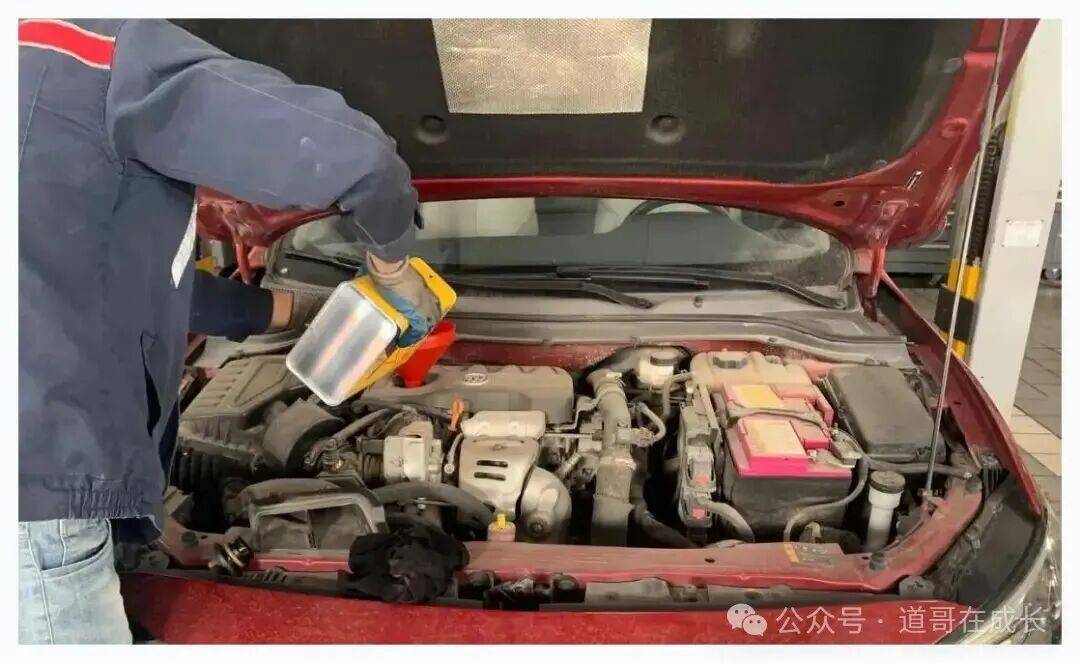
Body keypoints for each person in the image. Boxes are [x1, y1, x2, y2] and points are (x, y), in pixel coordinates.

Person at [18, 18, 439, 643]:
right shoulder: (98, 52)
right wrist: (393, 269)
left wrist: (297, 311)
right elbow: (360, 158)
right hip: (37, 490)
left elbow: (139, 285)